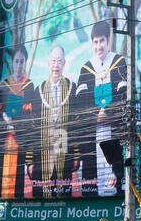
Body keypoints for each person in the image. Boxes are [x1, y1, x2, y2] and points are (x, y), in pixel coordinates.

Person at [75, 20, 127, 196]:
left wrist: (108, 112)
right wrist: (96, 115)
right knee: (93, 172)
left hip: (114, 128)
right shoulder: (86, 68)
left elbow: (123, 93)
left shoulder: (119, 62)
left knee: (116, 169)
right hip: (94, 130)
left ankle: (118, 191)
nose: (99, 46)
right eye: (95, 42)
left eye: (102, 41)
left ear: (108, 40)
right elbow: (81, 100)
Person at [0, 42, 35, 199]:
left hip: (19, 138)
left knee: (18, 176)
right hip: (4, 138)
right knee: (1, 171)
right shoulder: (4, 85)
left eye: (22, 61)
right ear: (12, 62)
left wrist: (14, 123)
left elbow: (29, 112)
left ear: (25, 62)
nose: (19, 65)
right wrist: (5, 120)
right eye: (16, 61)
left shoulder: (29, 85)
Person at [32, 44, 78, 197]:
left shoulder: (72, 88)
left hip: (65, 149)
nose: (56, 65)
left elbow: (77, 125)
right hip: (43, 151)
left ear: (64, 63)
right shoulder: (38, 90)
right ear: (48, 63)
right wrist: (30, 160)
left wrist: (76, 155)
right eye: (53, 61)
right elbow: (32, 127)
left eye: (59, 61)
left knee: (64, 193)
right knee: (41, 196)